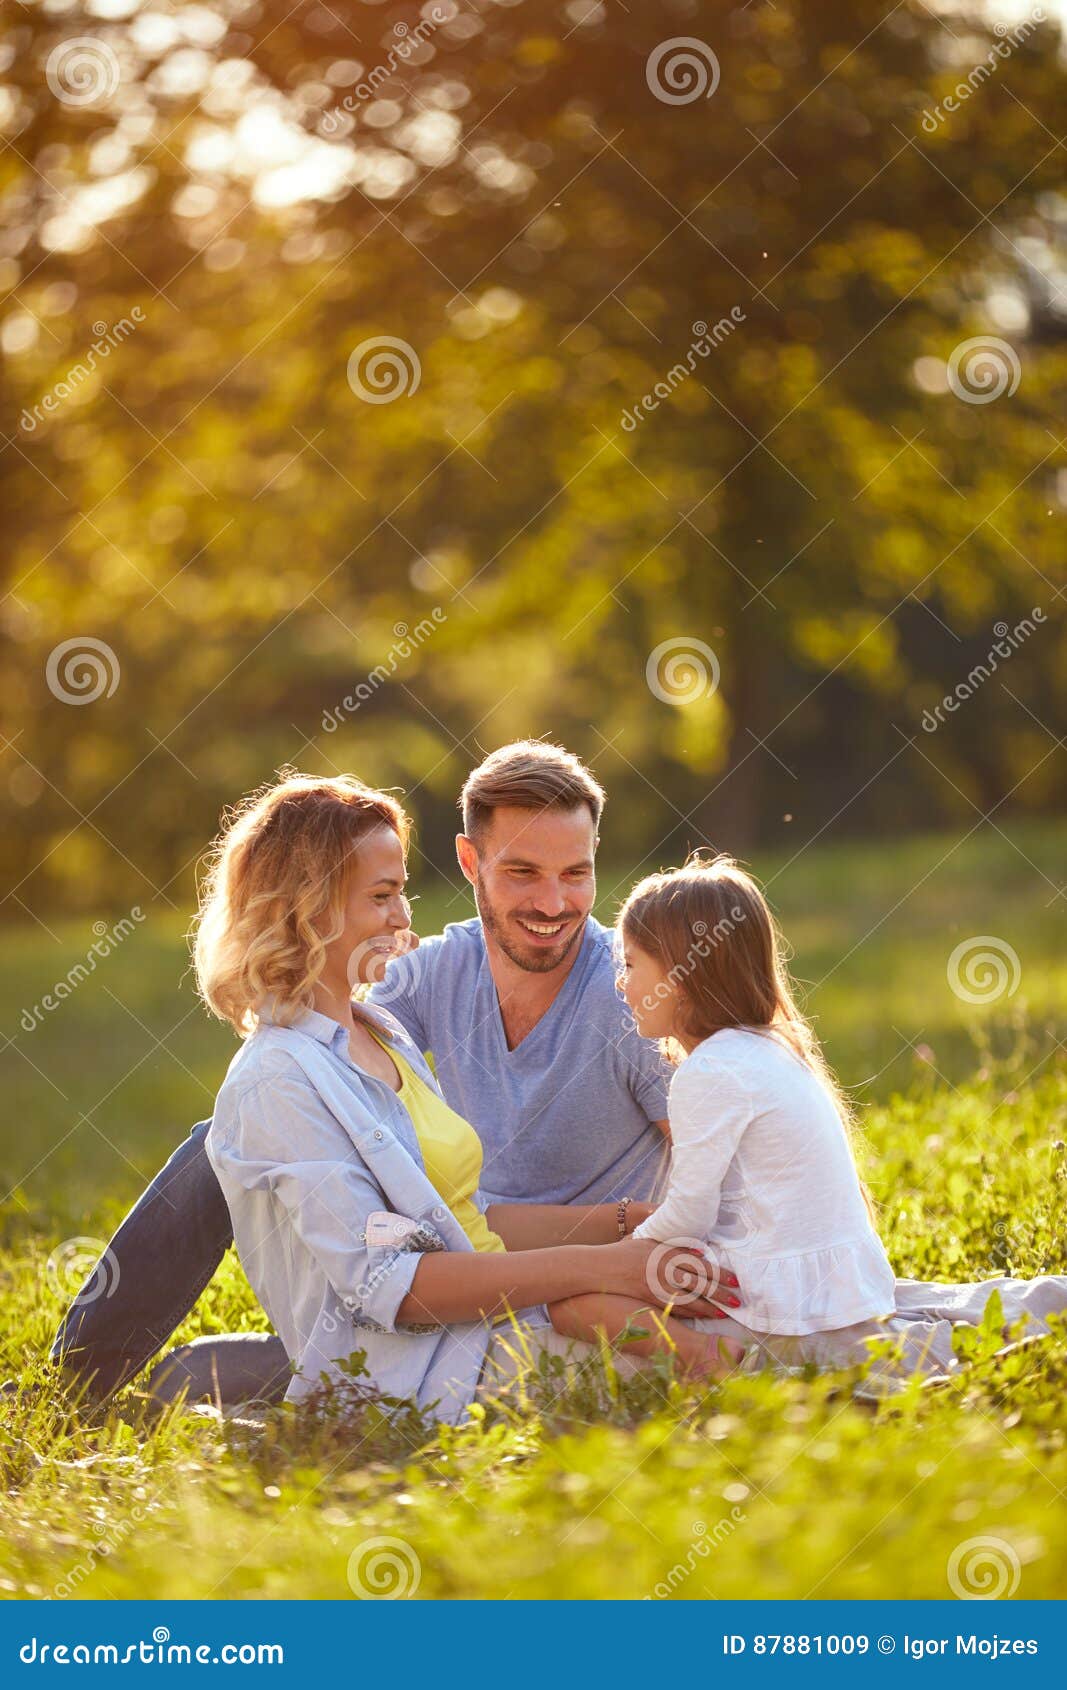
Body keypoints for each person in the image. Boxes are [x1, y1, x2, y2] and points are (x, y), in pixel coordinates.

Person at [51, 742, 681, 1403]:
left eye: (575, 874)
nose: (552, 904)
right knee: (225, 1140)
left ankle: (274, 1391)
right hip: (451, 1269)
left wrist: (634, 1239)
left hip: (543, 1282)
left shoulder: (630, 993)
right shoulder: (427, 981)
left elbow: (730, 1162)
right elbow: (316, 1049)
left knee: (219, 1367)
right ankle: (74, 1378)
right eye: (522, 872)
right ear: (470, 862)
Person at [194, 770, 737, 1418]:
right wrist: (605, 1268)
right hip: (442, 1373)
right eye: (382, 896)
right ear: (309, 908)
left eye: (400, 893)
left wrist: (623, 1229)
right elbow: (392, 1286)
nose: (404, 918)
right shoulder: (276, 1079)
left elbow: (457, 1220)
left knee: (801, 1324)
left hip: (514, 1318)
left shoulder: (379, 1032)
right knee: (760, 1363)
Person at [551, 856, 1067, 1384]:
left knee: (572, 1304)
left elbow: (688, 1214)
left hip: (782, 1306)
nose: (620, 984)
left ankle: (714, 1361)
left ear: (680, 976)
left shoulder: (708, 1070)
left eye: (631, 965)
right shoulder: (768, 1047)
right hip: (840, 1286)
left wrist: (618, 1259)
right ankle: (1032, 1309)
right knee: (926, 1315)